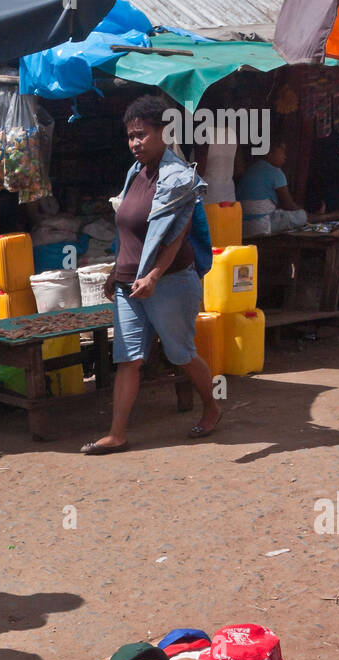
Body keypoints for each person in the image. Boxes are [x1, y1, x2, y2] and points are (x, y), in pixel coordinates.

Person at [81, 93, 220, 456]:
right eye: (130, 136)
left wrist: (154, 276)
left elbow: (174, 238)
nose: (135, 143)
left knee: (181, 353)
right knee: (128, 358)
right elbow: (127, 229)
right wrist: (117, 271)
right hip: (129, 284)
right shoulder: (135, 173)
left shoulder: (180, 178)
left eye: (142, 134)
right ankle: (117, 434)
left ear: (165, 131)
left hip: (169, 282)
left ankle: (212, 406)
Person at [237, 140, 308, 236]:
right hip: (261, 226)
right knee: (301, 216)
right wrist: (304, 212)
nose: (285, 156)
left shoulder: (252, 168)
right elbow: (289, 205)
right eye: (282, 151)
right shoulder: (275, 172)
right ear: (269, 152)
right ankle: (324, 217)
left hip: (241, 226)